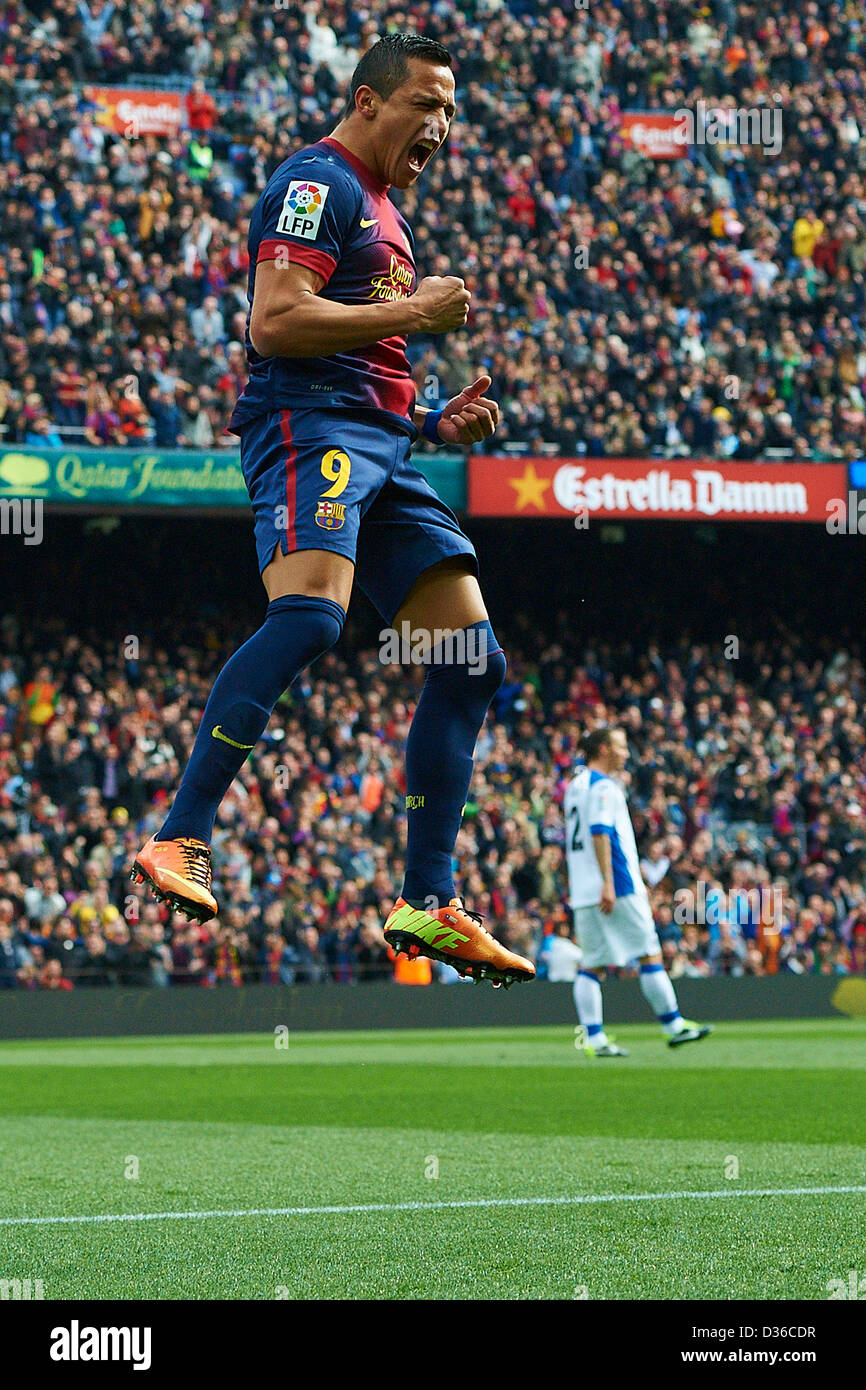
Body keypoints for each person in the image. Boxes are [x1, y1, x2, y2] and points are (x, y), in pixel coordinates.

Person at [132, 34, 534, 990]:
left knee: (470, 663)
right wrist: (416, 317)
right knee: (312, 616)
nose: (440, 127)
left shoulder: (386, 208)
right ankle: (178, 837)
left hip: (381, 446)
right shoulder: (318, 183)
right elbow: (277, 321)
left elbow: (362, 360)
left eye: (451, 113)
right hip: (309, 432)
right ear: (366, 102)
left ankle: (426, 902)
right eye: (425, 106)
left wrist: (435, 414)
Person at [564, 727, 711, 1055]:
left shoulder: (574, 787)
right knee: (649, 953)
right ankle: (673, 1025)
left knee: (592, 965)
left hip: (583, 887)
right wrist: (608, 882)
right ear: (603, 749)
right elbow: (600, 832)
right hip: (617, 886)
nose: (626, 753)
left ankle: (594, 1038)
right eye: (620, 745)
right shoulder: (605, 787)